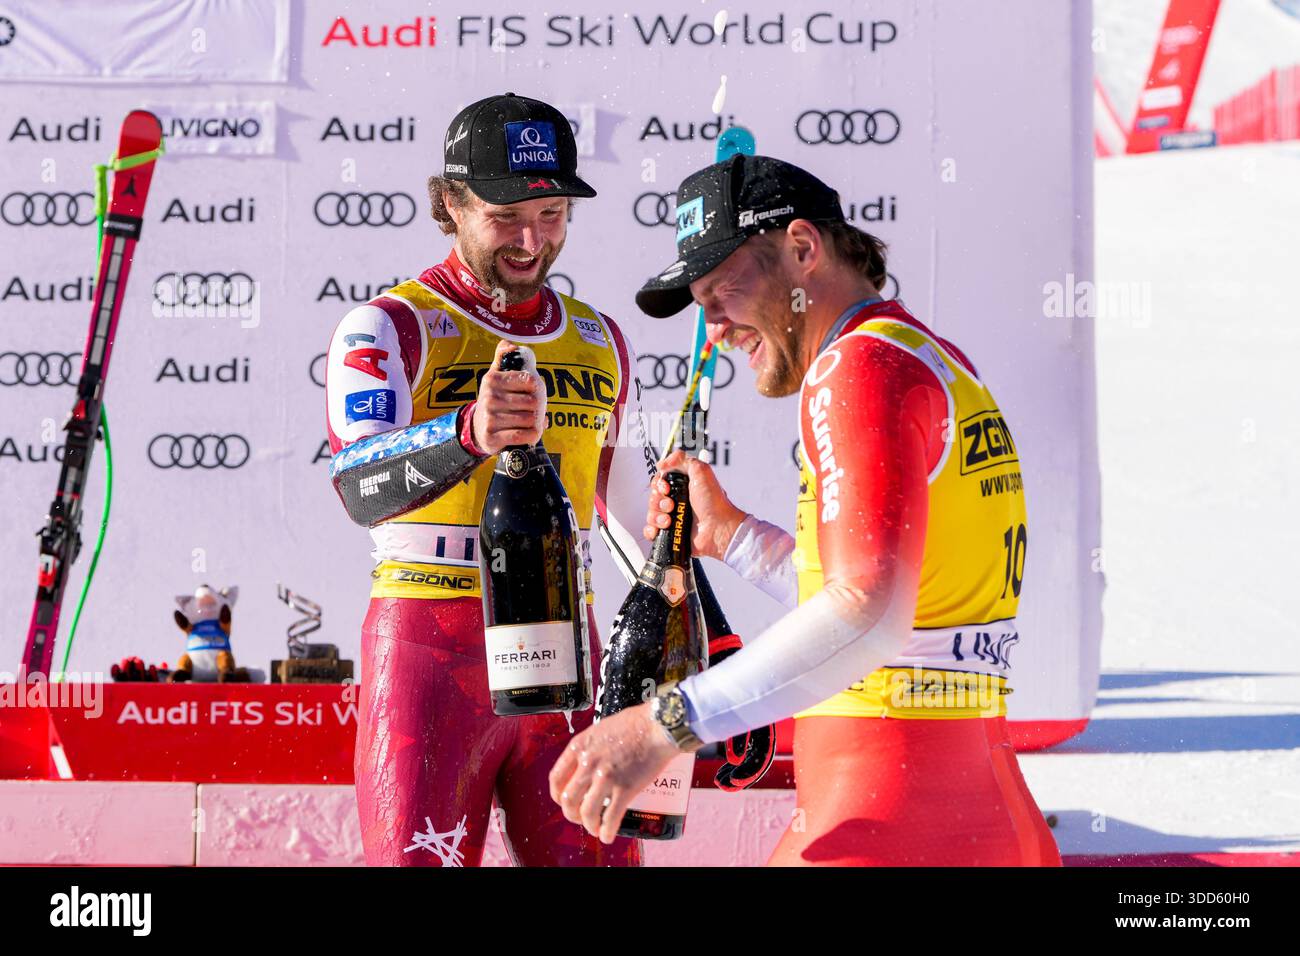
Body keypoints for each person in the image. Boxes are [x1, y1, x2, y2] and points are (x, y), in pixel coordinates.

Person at [549, 154, 1061, 866]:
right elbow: (904, 614)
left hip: (886, 820)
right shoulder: (928, 356)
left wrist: (667, 722)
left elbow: (869, 618)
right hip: (980, 810)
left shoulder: (853, 370)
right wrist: (732, 537)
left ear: (801, 248)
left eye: (722, 292)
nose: (715, 329)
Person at [326, 92, 657, 867]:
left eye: (550, 215)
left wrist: (707, 644)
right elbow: (358, 486)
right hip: (429, 650)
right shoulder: (389, 325)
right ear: (449, 201)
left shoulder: (599, 339)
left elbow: (641, 530)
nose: (530, 240)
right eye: (505, 214)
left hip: (568, 654)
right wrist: (466, 434)